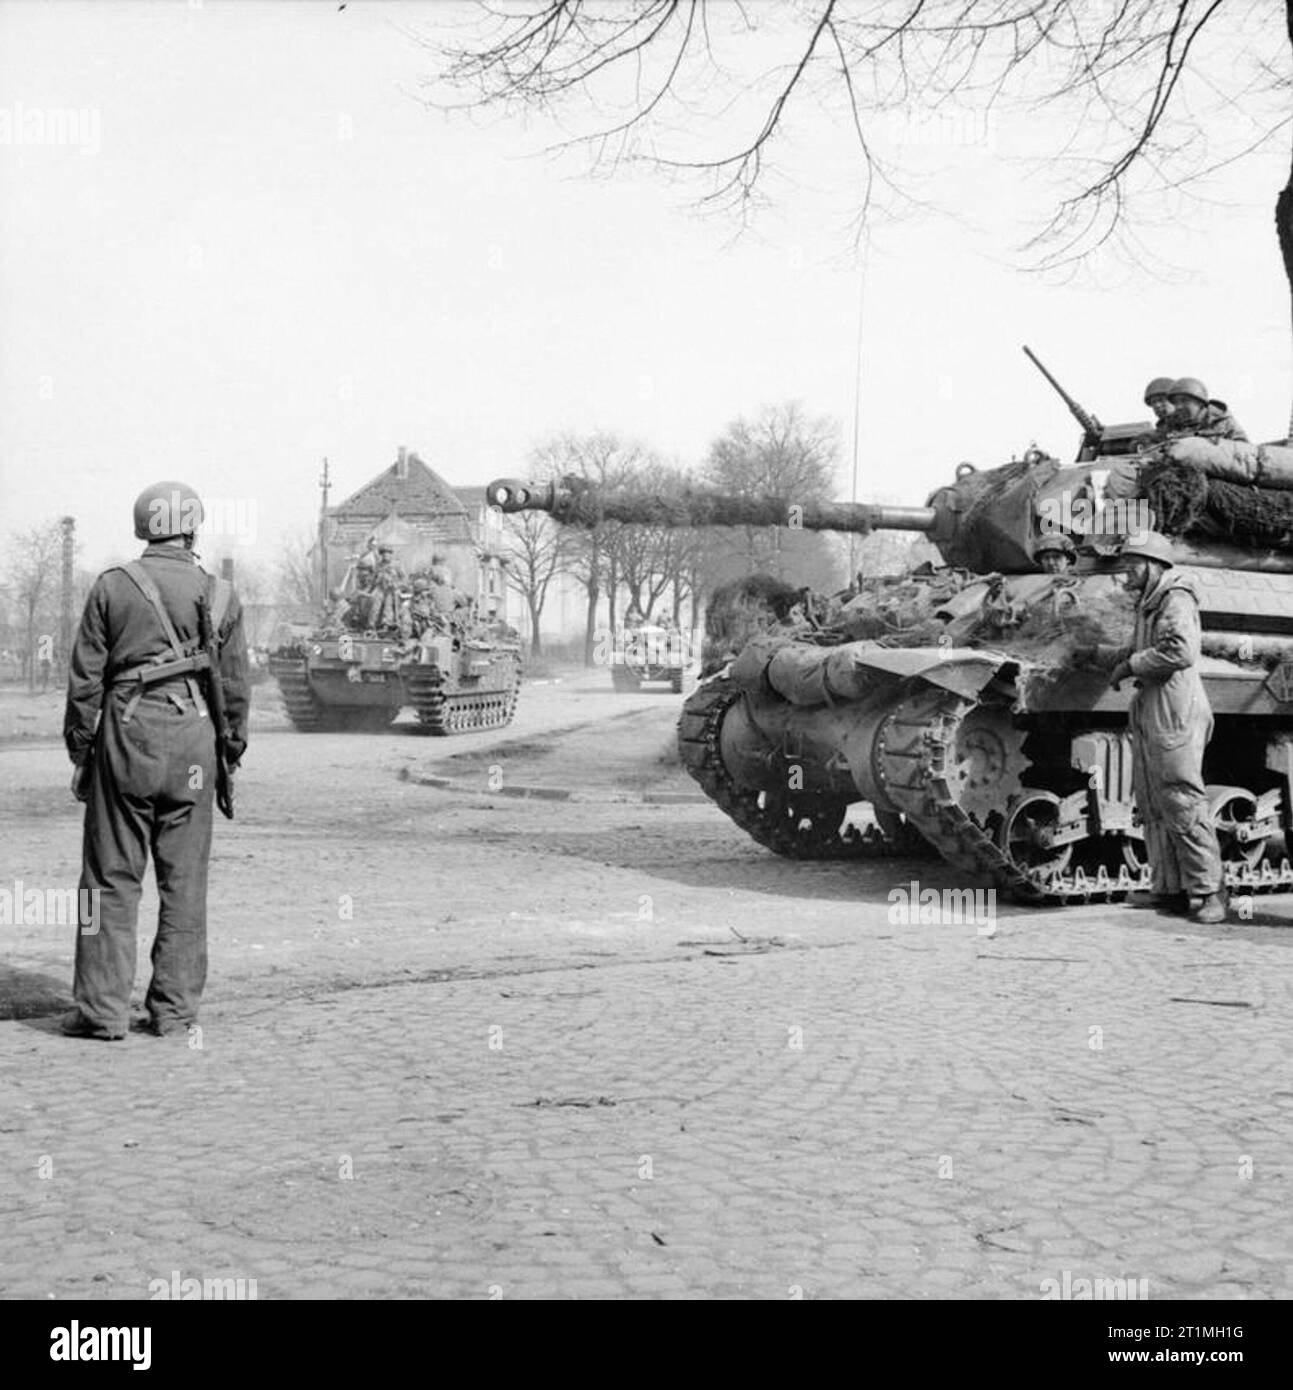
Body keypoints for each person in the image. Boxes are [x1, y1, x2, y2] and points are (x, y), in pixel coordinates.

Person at [60, 481, 250, 1039]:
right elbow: (235, 691)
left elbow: (84, 684)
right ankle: (172, 1012)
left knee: (109, 881)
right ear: (193, 526)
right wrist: (229, 754)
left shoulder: (112, 588)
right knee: (185, 883)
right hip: (194, 741)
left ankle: (101, 1013)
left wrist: (81, 752)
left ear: (144, 526)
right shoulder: (222, 596)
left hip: (126, 739)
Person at [1108, 532, 1225, 923]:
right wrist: (1111, 657)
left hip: (1175, 708)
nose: (1126, 571)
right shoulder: (1150, 601)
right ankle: (1171, 889)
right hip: (1156, 705)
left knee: (1182, 798)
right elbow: (1143, 649)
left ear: (1152, 564)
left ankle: (1211, 893)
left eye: (1131, 564)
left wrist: (1131, 666)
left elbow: (1180, 650)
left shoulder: (1175, 597)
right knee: (1155, 802)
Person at [1164, 378, 1249, 442]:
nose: (1179, 407)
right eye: (1175, 402)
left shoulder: (1222, 422)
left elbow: (1244, 452)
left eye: (1184, 401)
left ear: (1200, 403)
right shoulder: (1171, 424)